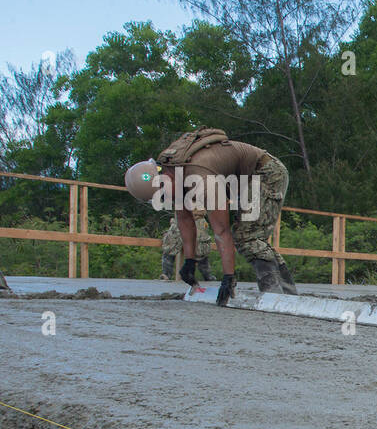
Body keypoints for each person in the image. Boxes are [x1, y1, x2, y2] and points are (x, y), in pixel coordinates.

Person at [125, 129, 296, 306]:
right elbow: (184, 220)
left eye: (162, 196)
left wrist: (228, 277)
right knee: (249, 236)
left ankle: (275, 295)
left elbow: (221, 231)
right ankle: (289, 295)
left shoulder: (201, 178)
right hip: (244, 180)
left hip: (267, 172)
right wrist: (190, 261)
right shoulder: (172, 170)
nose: (166, 200)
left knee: (248, 236)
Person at [160, 214, 212, 282]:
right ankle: (166, 274)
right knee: (170, 246)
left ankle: (207, 276)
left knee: (201, 250)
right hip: (180, 219)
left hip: (198, 218)